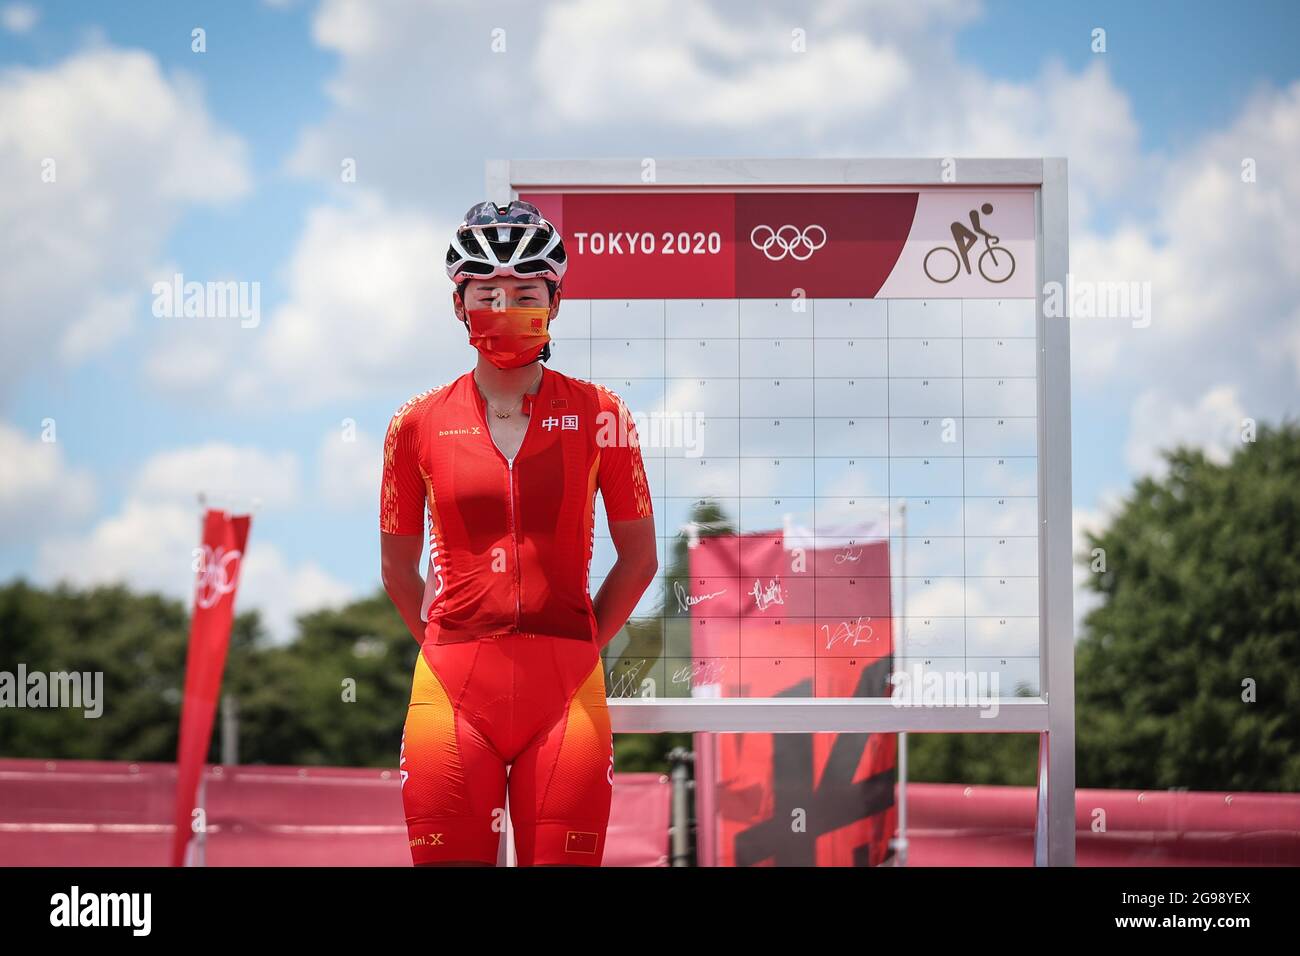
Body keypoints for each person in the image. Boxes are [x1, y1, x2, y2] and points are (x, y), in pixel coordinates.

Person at [379, 199, 658, 866]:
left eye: (525, 293)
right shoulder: (414, 424)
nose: (505, 307)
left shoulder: (601, 413)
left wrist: (579, 641)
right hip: (451, 687)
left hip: (567, 690)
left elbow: (640, 559)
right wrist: (451, 644)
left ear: (555, 302)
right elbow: (395, 570)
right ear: (458, 305)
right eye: (487, 293)